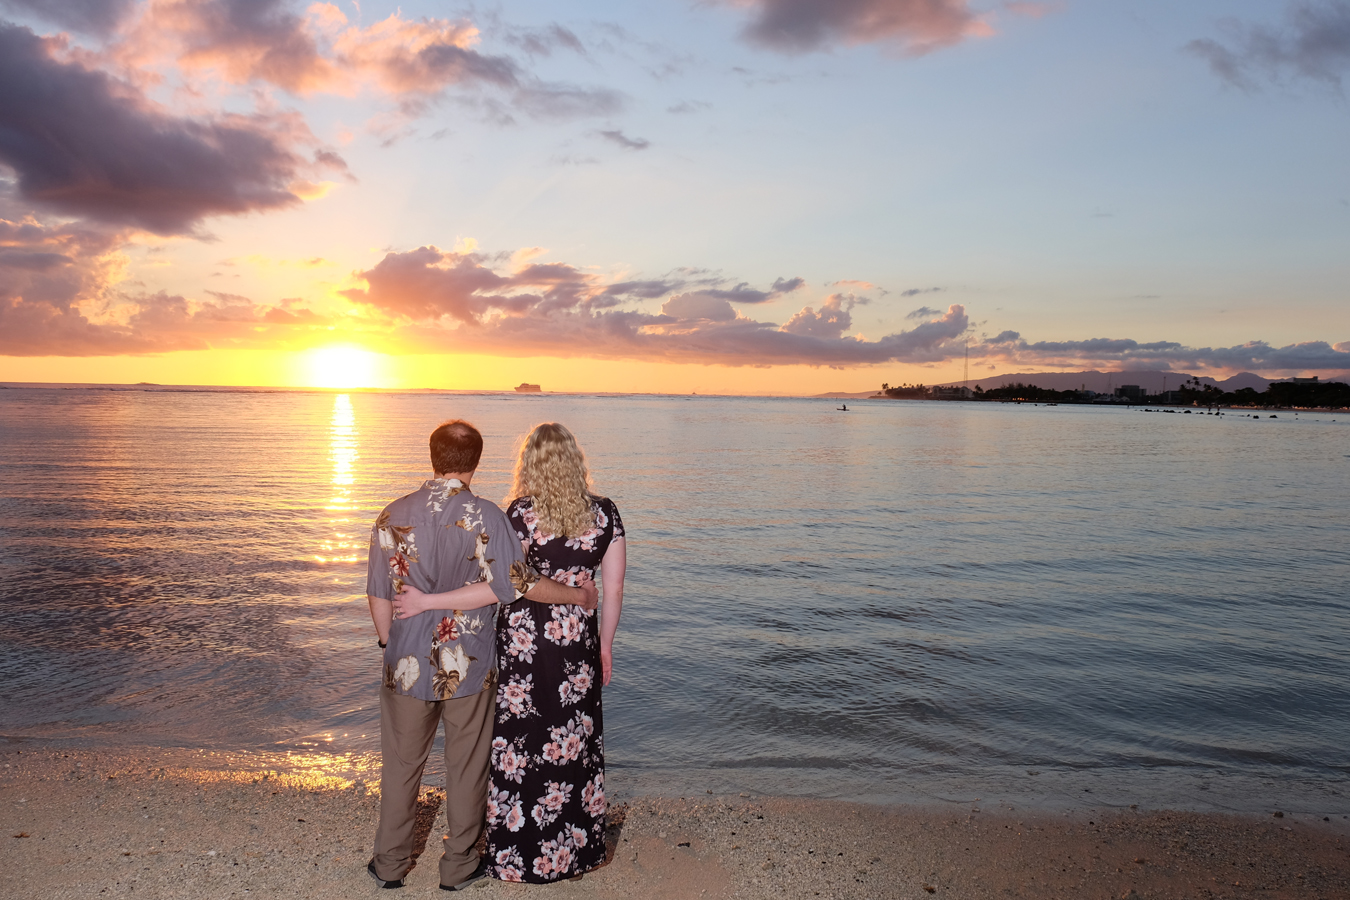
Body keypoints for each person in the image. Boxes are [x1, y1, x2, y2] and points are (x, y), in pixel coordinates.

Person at [365, 419, 597, 892]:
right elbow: (514, 586)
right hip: (467, 667)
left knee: (401, 767)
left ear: (432, 456)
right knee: (467, 767)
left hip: (405, 664)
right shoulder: (487, 516)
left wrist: (390, 642)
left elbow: (378, 594)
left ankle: (389, 866)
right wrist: (578, 597)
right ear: (476, 461)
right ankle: (457, 867)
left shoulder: (390, 515)